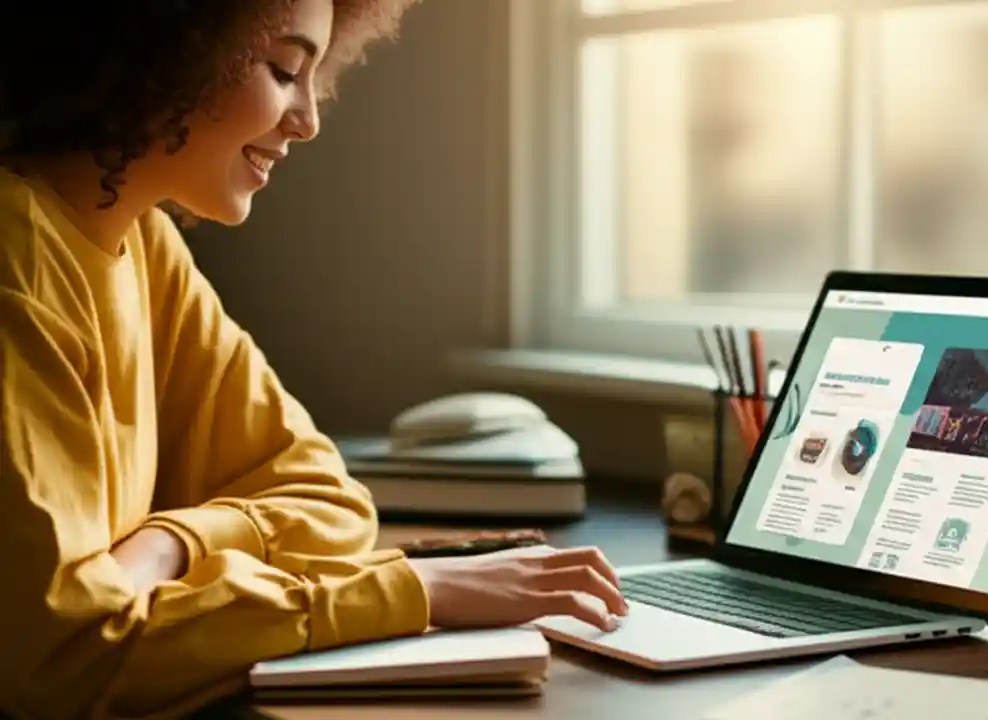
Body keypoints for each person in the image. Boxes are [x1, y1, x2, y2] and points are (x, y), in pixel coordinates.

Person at [0, 2, 627, 718]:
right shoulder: (16, 259)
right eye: (283, 70)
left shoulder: (142, 246)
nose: (308, 119)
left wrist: (171, 544)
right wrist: (422, 591)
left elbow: (329, 502)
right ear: (163, 51)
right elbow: (64, 659)